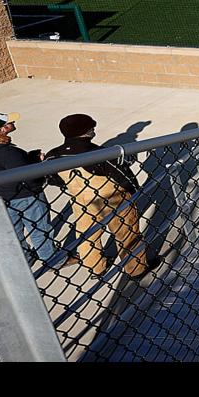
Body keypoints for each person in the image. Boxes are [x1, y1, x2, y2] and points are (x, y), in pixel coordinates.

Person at [44, 114, 152, 278]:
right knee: (126, 233)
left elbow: (52, 179)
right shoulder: (99, 153)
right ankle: (135, 269)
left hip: (81, 199)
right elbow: (123, 176)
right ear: (85, 132)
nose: (93, 129)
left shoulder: (53, 155)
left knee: (87, 235)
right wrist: (134, 191)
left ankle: (96, 268)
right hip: (113, 197)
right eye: (91, 127)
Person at [0, 113, 69, 269]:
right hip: (27, 196)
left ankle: (25, 258)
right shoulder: (8, 152)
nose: (12, 122)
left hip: (0, 196)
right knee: (40, 229)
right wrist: (37, 162)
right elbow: (29, 177)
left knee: (14, 231)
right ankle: (52, 260)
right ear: (1, 129)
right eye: (9, 122)